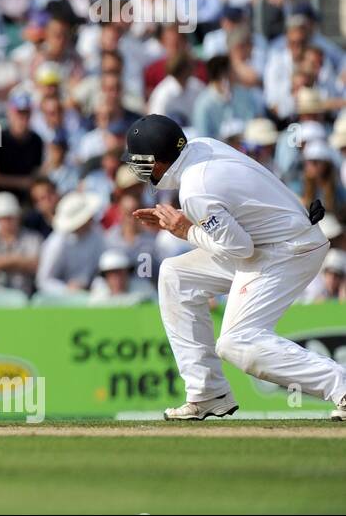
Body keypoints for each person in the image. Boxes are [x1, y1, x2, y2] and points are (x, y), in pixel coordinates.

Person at [124, 114, 346, 420]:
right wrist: (190, 221)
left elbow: (240, 248)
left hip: (289, 251)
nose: (139, 169)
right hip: (275, 240)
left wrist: (185, 230)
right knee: (177, 276)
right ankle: (207, 392)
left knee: (236, 342)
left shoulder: (194, 189)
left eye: (141, 161)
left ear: (158, 161)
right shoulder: (200, 147)